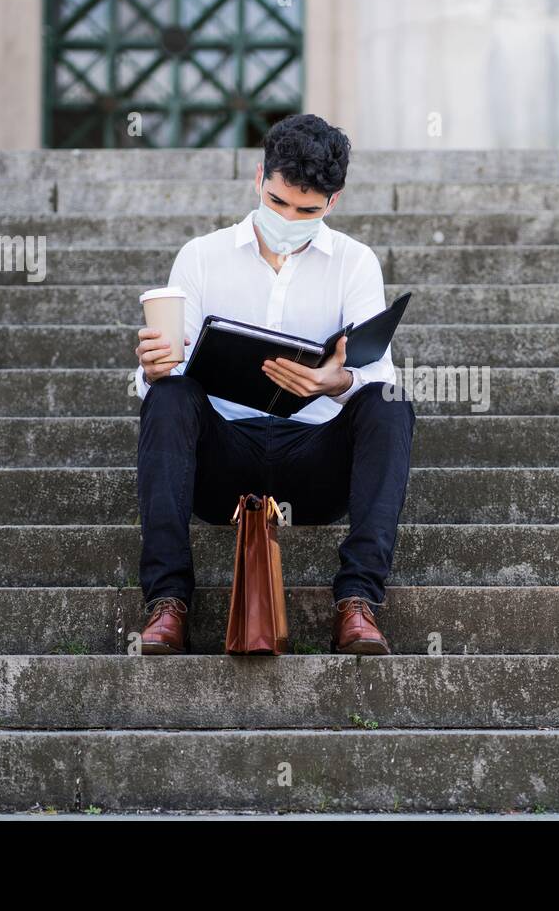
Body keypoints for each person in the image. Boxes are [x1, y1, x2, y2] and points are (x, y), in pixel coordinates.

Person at [132, 114, 415, 655]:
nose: (289, 217)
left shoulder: (355, 263)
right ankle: (168, 602)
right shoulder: (202, 256)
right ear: (260, 178)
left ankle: (357, 603)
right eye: (278, 201)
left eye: (307, 210)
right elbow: (161, 375)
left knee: (388, 400)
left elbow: (378, 373)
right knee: (169, 395)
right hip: (221, 461)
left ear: (333, 202)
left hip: (314, 463)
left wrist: (339, 380)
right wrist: (154, 365)